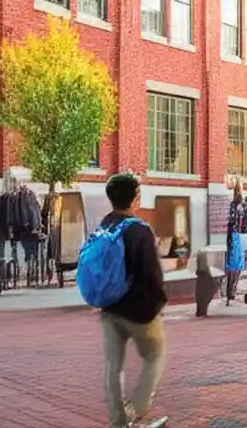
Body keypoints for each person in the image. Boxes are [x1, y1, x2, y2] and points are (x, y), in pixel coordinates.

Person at [99, 173, 168, 428]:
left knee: (113, 367)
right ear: (134, 197)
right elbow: (152, 274)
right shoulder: (139, 229)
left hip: (109, 308)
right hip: (139, 310)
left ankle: (119, 422)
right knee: (155, 356)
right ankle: (137, 412)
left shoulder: (104, 226)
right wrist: (158, 304)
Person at [224, 176, 247, 305]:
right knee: (238, 265)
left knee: (232, 264)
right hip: (241, 237)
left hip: (233, 236)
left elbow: (231, 222)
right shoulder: (245, 206)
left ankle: (230, 291)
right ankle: (232, 291)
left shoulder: (234, 205)